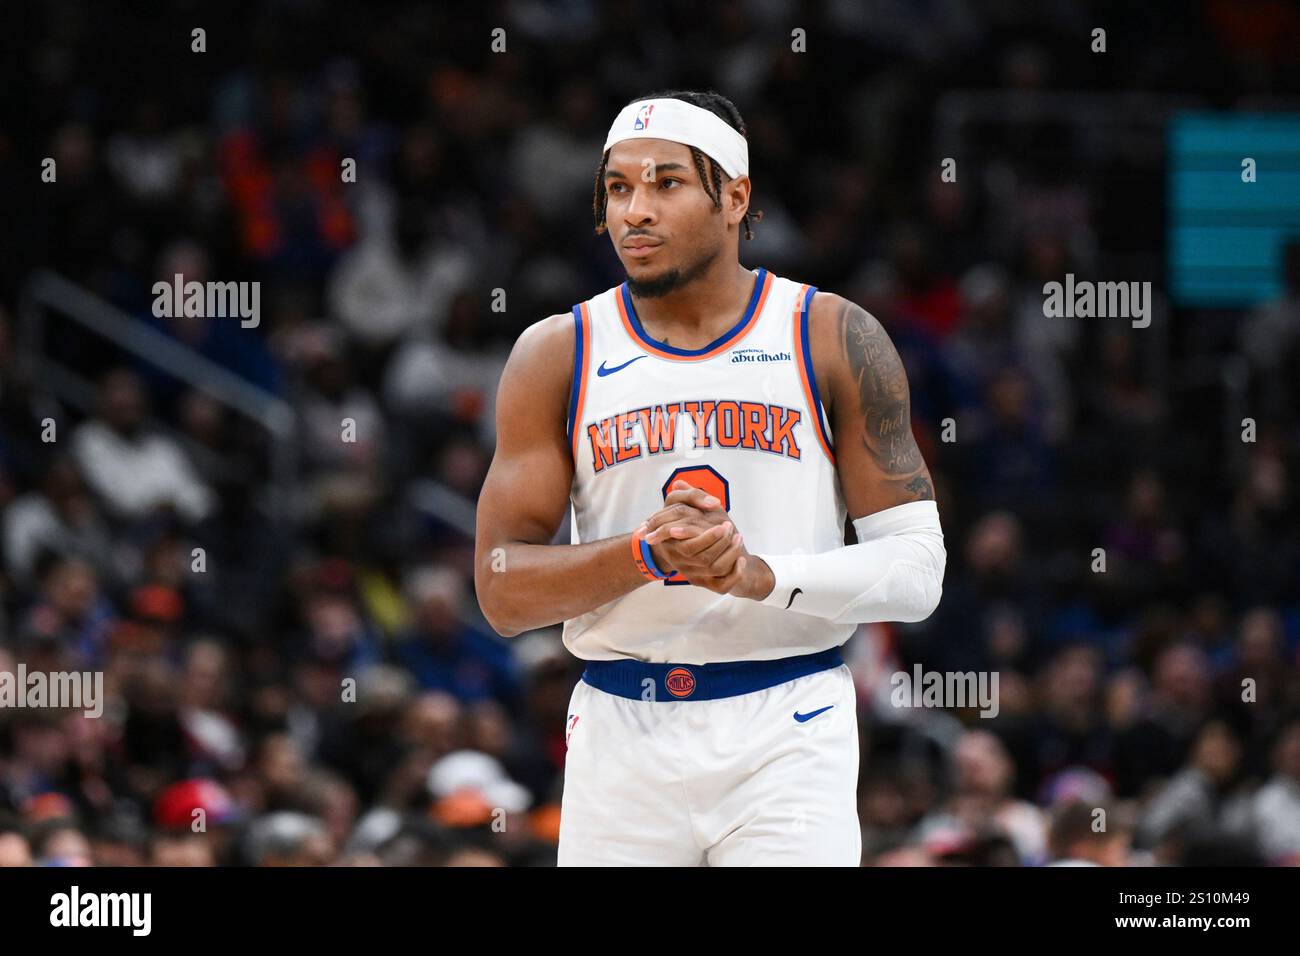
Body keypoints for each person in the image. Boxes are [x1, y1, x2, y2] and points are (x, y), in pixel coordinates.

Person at [474, 90, 947, 866]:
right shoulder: (555, 352)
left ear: (735, 197)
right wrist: (646, 556)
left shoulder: (831, 335)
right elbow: (500, 590)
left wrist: (760, 575)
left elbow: (918, 571)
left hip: (789, 721)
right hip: (621, 731)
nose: (635, 211)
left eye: (666, 183)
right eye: (618, 188)